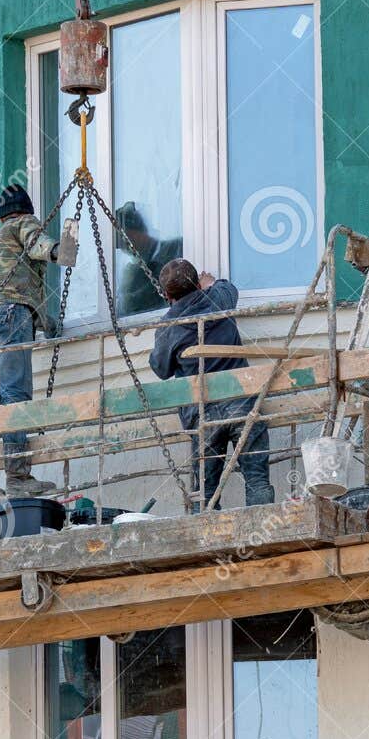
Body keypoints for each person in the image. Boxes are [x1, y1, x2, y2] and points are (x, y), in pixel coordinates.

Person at [0, 182, 78, 499]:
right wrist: (59, 251)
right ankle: (18, 476)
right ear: (24, 211)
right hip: (11, 316)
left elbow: (14, 285)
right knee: (16, 394)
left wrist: (45, 323)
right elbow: (38, 244)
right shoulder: (21, 224)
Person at [148, 259, 274, 511]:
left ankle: (206, 542)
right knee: (257, 480)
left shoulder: (168, 326)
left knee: (205, 493)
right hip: (241, 402)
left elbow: (161, 369)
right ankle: (263, 533)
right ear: (197, 283)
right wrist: (209, 284)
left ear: (167, 295)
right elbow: (229, 288)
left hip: (202, 412)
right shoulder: (217, 299)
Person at [114, 203, 182, 317]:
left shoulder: (178, 248)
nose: (124, 249)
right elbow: (125, 308)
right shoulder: (132, 274)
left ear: (134, 234)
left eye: (122, 243)